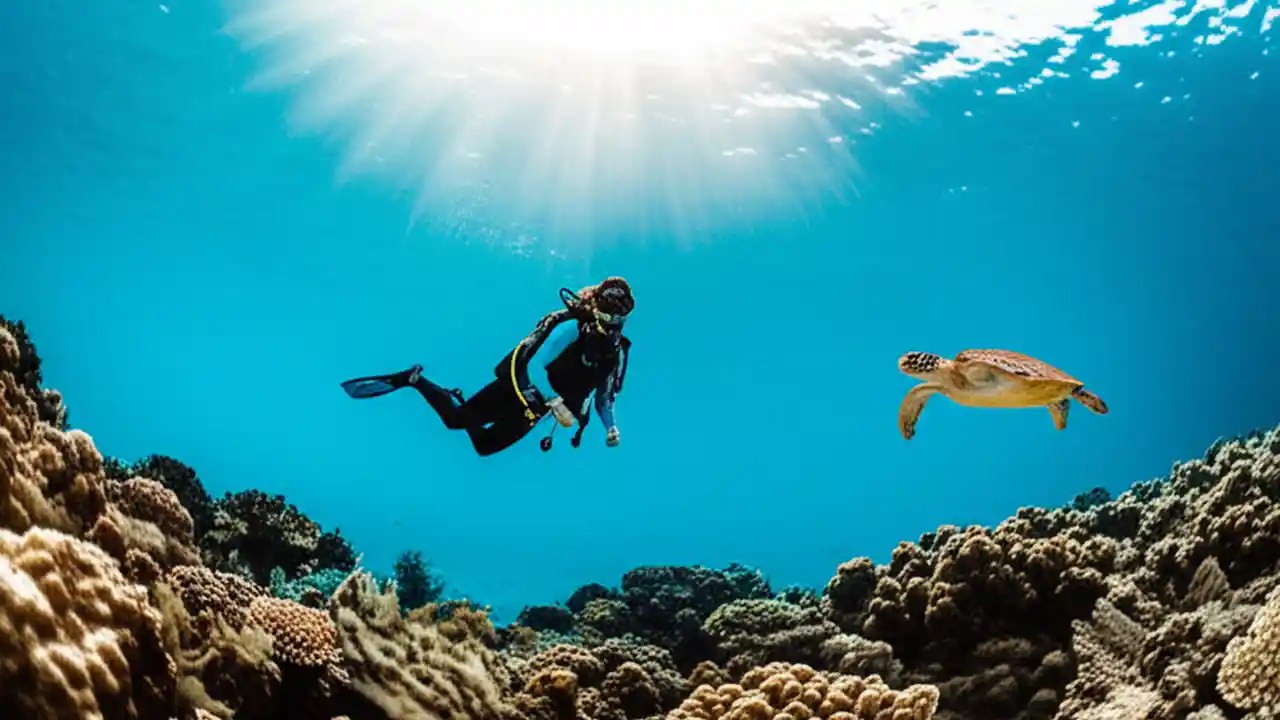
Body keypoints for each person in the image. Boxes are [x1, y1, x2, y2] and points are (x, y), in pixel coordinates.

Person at [339, 277, 634, 457]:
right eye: (609, 309)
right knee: (454, 420)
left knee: (485, 447)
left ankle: (455, 396)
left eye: (621, 312)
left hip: (536, 410)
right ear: (596, 303)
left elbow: (604, 398)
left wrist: (611, 428)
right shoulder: (573, 328)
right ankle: (413, 379)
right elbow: (535, 364)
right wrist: (555, 402)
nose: (614, 318)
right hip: (517, 390)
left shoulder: (615, 352)